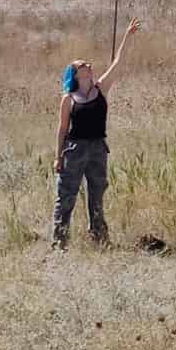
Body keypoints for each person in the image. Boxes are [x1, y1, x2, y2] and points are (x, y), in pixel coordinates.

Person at [51, 17, 140, 248]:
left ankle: (100, 239)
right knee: (66, 195)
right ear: (75, 74)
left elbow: (118, 62)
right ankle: (59, 242)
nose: (88, 66)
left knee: (97, 195)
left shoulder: (101, 88)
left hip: (98, 149)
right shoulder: (68, 99)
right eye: (83, 65)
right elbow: (62, 129)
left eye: (88, 64)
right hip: (74, 150)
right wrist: (58, 157)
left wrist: (127, 37)